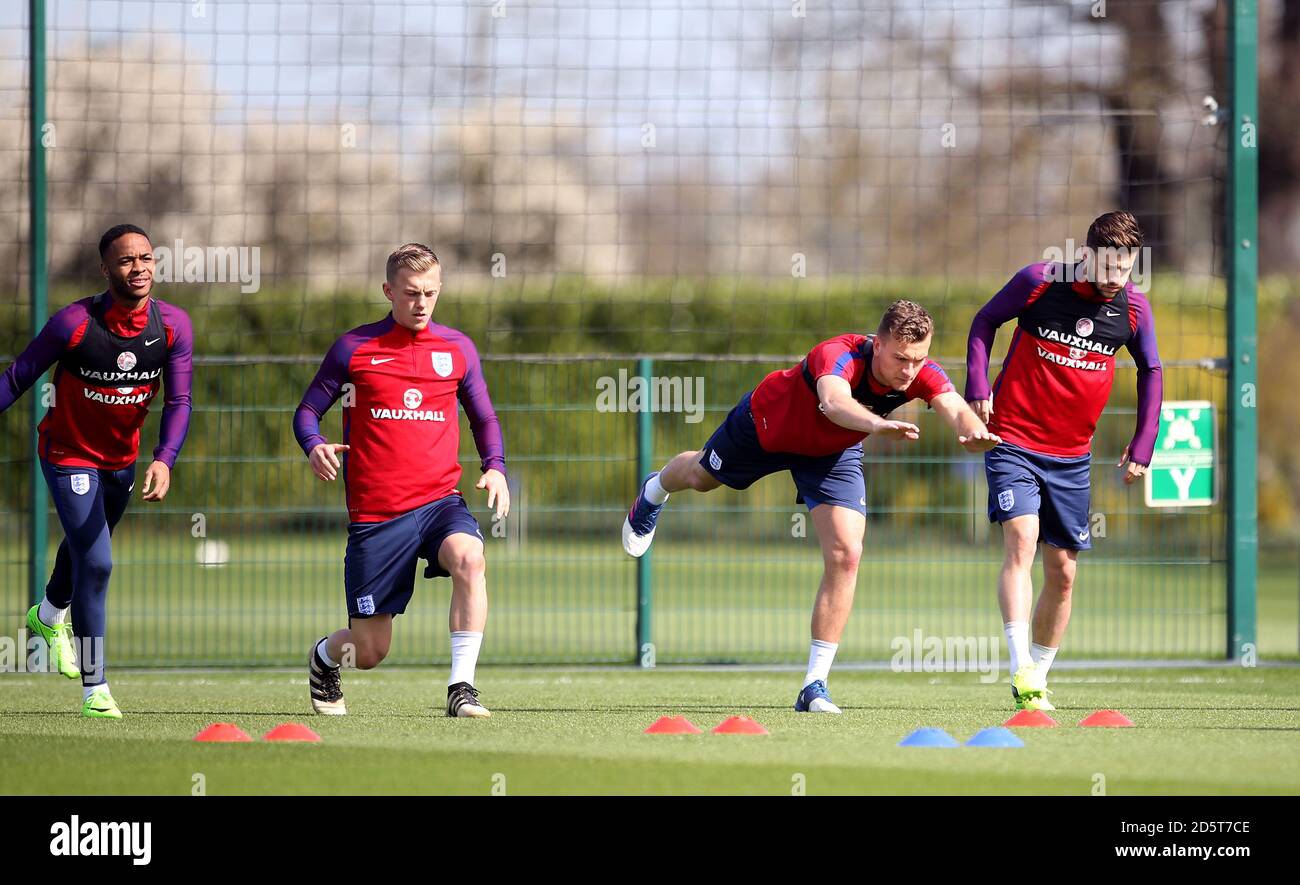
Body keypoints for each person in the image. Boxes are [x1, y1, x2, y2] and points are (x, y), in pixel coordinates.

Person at [623, 300, 1000, 713]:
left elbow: (954, 406)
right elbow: (834, 404)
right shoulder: (838, 354)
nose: (909, 370)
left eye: (918, 360)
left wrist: (974, 433)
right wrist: (876, 425)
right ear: (878, 344)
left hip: (831, 454)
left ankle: (814, 685)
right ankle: (655, 489)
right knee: (700, 478)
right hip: (767, 428)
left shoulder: (920, 373)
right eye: (900, 358)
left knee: (846, 552)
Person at [294, 244, 508, 718]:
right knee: (369, 652)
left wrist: (495, 466)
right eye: (411, 293)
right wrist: (314, 445)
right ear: (388, 291)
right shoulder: (354, 348)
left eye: (431, 292)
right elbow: (307, 411)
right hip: (377, 516)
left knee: (471, 559)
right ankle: (324, 658)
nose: (422, 303)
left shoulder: (457, 350)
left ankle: (462, 689)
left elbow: (484, 417)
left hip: (439, 502)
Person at [965, 211, 1163, 710]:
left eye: (1127, 266)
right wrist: (978, 385)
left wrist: (1143, 445)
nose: (1119, 276)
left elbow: (1152, 372)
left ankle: (1038, 676)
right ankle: (1020, 668)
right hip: (1010, 439)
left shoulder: (1134, 309)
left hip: (1072, 457)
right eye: (1110, 265)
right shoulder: (1038, 282)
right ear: (1087, 255)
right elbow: (984, 320)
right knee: (1022, 540)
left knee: (1064, 573)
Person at [0, 224, 193, 718]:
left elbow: (179, 400)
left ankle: (47, 616)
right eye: (127, 261)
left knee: (87, 546)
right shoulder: (74, 323)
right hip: (67, 454)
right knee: (99, 561)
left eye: (146, 258)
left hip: (121, 463)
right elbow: (19, 376)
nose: (139, 268)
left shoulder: (173, 326)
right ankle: (95, 688)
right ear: (105, 269)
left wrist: (164, 459)